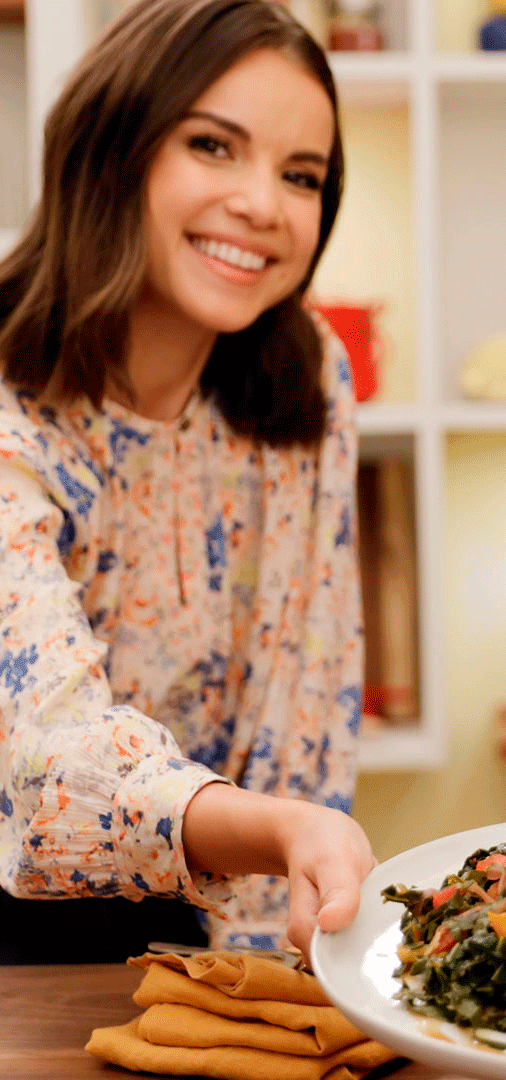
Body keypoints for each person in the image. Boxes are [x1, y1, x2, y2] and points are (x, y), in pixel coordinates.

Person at [0, 0, 375, 963]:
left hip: (190, 906)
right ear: (113, 145)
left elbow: (306, 689)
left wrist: (271, 972)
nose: (263, 204)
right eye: (214, 146)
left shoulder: (305, 376)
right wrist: (279, 833)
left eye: (303, 176)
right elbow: (44, 757)